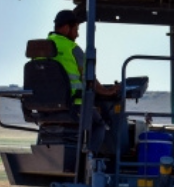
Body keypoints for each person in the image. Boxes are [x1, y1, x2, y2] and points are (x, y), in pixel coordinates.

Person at [42, 9, 120, 153]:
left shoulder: (42, 47)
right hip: (73, 106)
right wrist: (108, 91)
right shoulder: (72, 48)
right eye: (76, 29)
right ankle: (88, 160)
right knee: (99, 125)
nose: (77, 34)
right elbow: (88, 78)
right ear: (66, 28)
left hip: (44, 108)